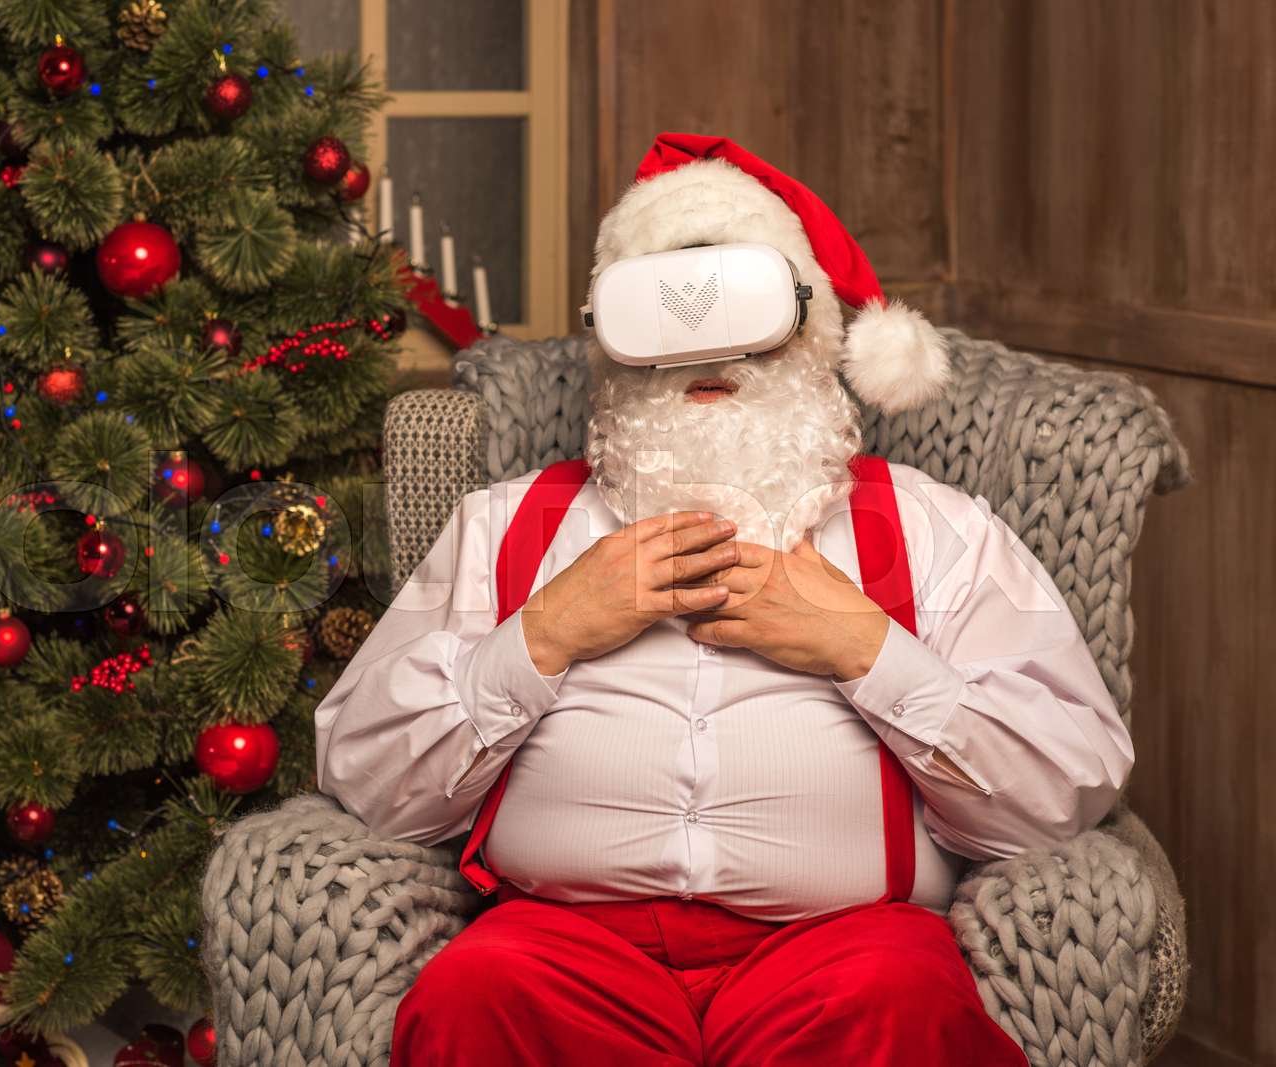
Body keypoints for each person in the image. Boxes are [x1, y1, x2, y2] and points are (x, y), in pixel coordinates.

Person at [315, 132, 1129, 1066]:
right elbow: (364, 780)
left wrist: (868, 650)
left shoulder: (938, 531)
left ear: (814, 337)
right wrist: (542, 634)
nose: (705, 357)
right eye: (667, 328)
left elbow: (1066, 788)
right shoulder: (504, 527)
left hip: (843, 952)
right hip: (564, 950)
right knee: (474, 991)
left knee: (900, 997)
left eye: (743, 322)